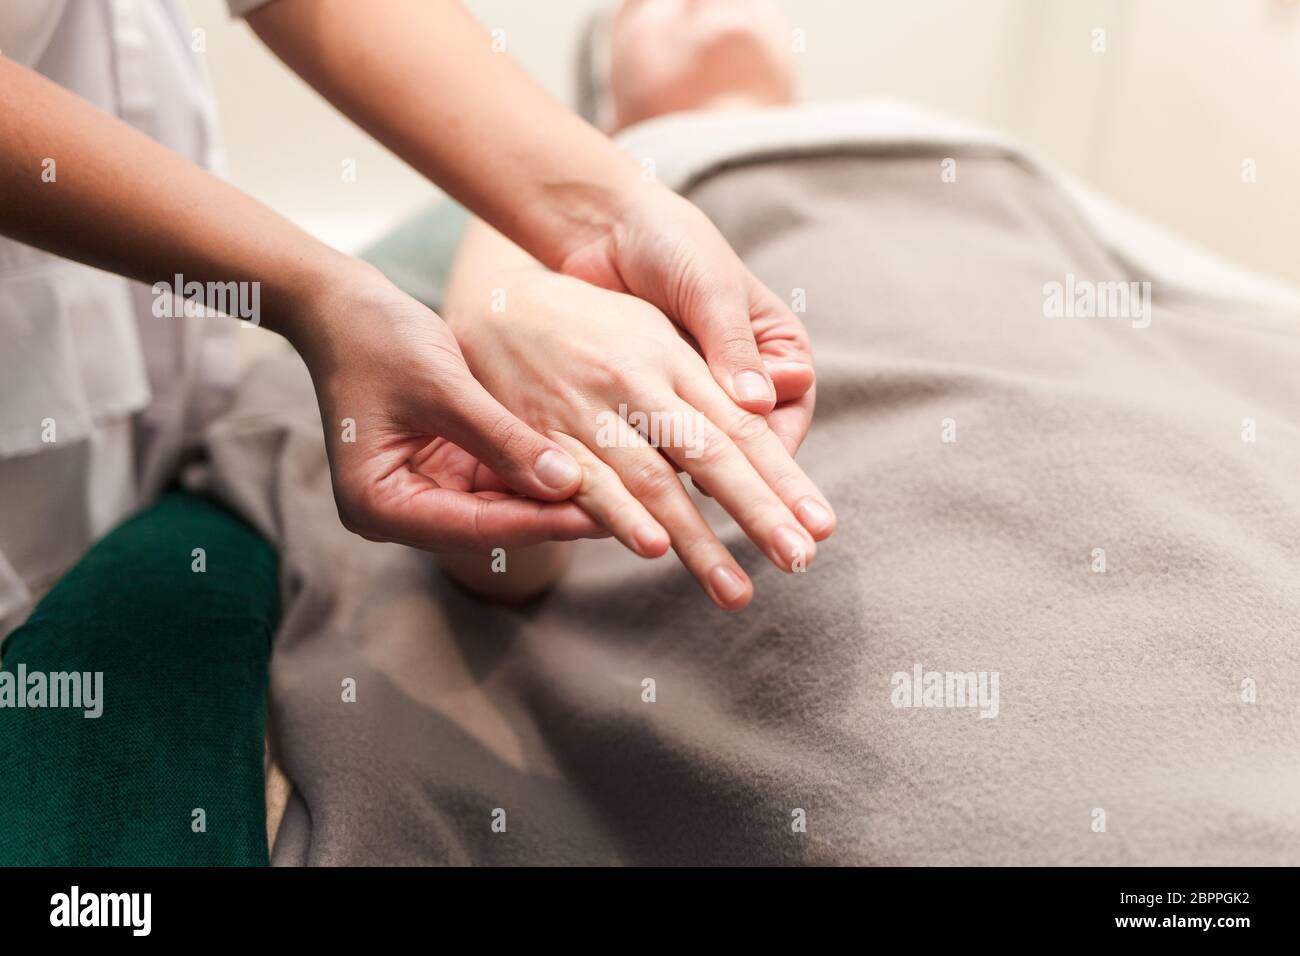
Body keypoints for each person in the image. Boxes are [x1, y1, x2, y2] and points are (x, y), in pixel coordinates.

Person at [0, 0, 829, 633]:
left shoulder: (947, 157)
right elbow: (509, 546)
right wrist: (471, 325)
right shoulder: (516, 214)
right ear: (605, 103)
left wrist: (607, 212)